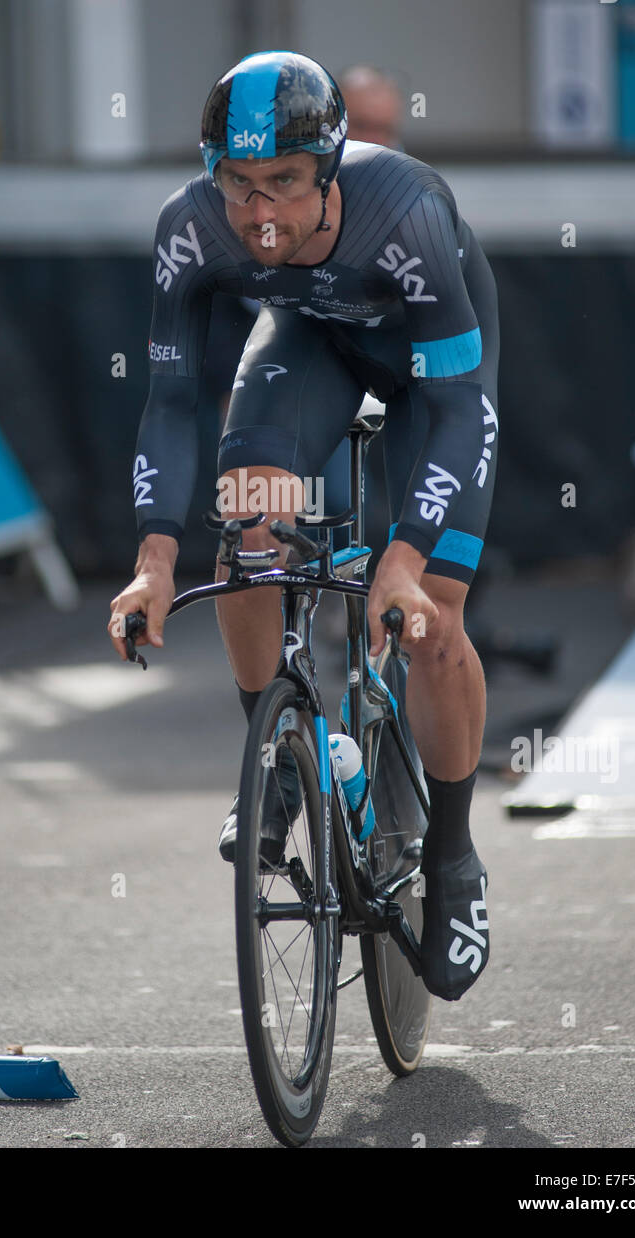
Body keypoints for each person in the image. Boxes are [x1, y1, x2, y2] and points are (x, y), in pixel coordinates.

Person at [109, 51, 499, 1002]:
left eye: (283, 182)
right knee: (247, 530)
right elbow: (167, 401)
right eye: (238, 186)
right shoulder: (187, 228)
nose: (260, 213)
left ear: (328, 165)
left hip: (431, 378)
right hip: (308, 346)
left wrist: (403, 561)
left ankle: (451, 853)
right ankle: (277, 761)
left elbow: (456, 410)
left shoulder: (403, 207)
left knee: (432, 619)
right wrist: (153, 561)